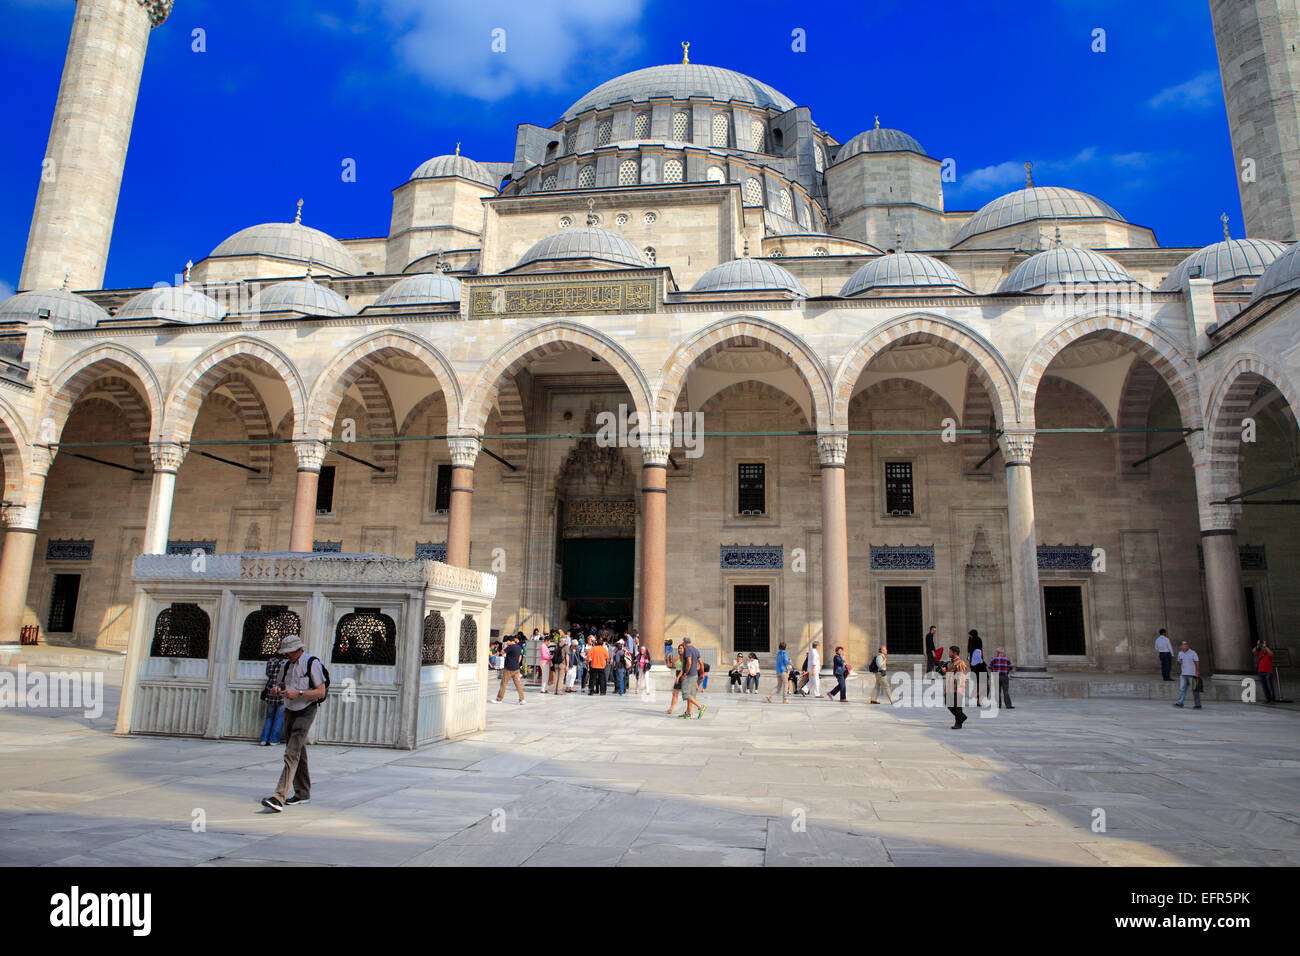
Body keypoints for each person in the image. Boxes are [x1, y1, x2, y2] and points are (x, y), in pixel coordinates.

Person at [261, 635, 326, 812]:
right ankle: (303, 793)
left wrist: (298, 693)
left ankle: (279, 796)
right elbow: (283, 684)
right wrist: (278, 689)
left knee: (291, 752)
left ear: (299, 650)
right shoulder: (286, 665)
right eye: (285, 653)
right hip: (290, 709)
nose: (287, 656)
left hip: (306, 709)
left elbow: (320, 692)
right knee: (298, 751)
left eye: (289, 652)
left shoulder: (312, 663)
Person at [259, 652, 287, 746]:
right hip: (282, 693)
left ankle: (264, 739)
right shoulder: (287, 662)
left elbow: (268, 673)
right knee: (279, 717)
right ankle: (274, 740)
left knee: (269, 717)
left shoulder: (271, 661)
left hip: (270, 692)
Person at [941, 645, 969, 729]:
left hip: (957, 688)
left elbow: (962, 675)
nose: (949, 653)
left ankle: (958, 723)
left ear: (955, 653)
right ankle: (962, 717)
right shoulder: (951, 662)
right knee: (949, 704)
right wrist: (945, 671)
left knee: (957, 707)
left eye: (950, 652)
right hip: (950, 687)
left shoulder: (960, 663)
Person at [494, 633, 527, 705]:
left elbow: (502, 652)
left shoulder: (510, 647)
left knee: (503, 683)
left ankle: (499, 699)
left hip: (509, 668)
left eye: (507, 641)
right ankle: (522, 699)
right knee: (518, 684)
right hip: (516, 668)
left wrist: (505, 647)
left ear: (509, 641)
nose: (506, 642)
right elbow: (520, 657)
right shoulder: (518, 647)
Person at [679, 636, 706, 719]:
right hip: (695, 675)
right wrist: (702, 673)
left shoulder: (687, 649)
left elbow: (689, 662)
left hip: (689, 675)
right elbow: (701, 663)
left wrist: (685, 673)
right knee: (690, 694)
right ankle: (688, 712)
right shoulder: (695, 649)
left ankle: (700, 707)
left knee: (686, 693)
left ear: (684, 642)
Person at [1174, 639, 1202, 709]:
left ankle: (1198, 704)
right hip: (1183, 674)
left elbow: (1197, 662)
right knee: (1182, 689)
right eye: (1184, 644)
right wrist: (1179, 662)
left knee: (1195, 690)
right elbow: (1179, 661)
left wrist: (1197, 672)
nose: (1185, 645)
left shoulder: (1193, 653)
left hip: (1192, 674)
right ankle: (1180, 703)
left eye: (1186, 644)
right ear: (1181, 646)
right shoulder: (1180, 653)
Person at [666, 643, 685, 715]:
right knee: (674, 693)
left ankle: (692, 708)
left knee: (687, 695)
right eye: (679, 648)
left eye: (681, 648)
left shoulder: (685, 658)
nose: (680, 650)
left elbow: (683, 669)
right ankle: (671, 709)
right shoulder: (677, 658)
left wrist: (678, 677)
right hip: (677, 675)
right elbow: (675, 667)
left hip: (682, 676)